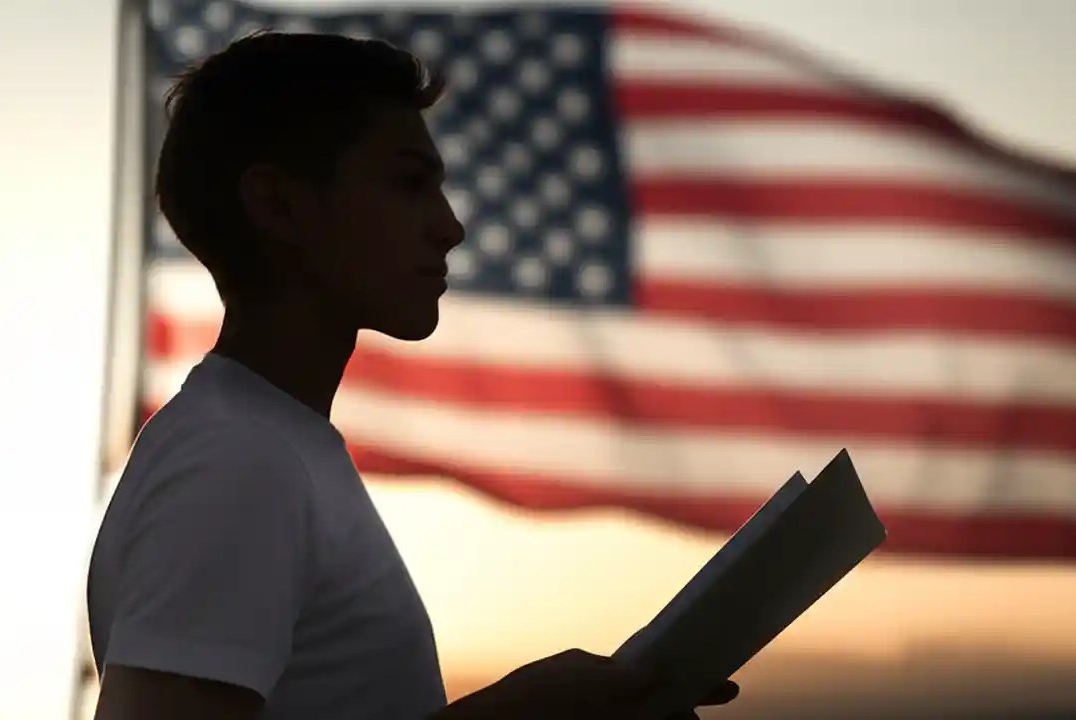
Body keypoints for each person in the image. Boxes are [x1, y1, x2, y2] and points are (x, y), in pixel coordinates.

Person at [86, 31, 739, 720]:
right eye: (408, 183)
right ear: (280, 206)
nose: (450, 227)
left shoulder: (267, 445)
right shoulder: (237, 459)